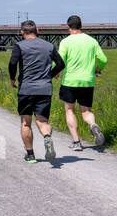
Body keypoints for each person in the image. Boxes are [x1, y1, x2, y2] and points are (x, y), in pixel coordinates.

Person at [9, 20, 65, 164]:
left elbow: (13, 63)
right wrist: (50, 75)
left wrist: (12, 79)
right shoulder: (49, 46)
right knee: (42, 121)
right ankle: (47, 137)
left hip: (26, 89)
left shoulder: (19, 46)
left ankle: (31, 155)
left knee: (26, 122)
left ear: (22, 32)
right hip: (45, 89)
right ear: (37, 30)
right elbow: (61, 64)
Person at [57, 14, 108, 150]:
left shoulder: (65, 42)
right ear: (81, 26)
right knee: (86, 111)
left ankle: (76, 143)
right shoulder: (92, 41)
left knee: (69, 110)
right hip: (87, 82)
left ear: (69, 27)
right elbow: (104, 59)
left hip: (69, 81)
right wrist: (98, 69)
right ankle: (93, 125)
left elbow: (60, 61)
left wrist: (55, 72)